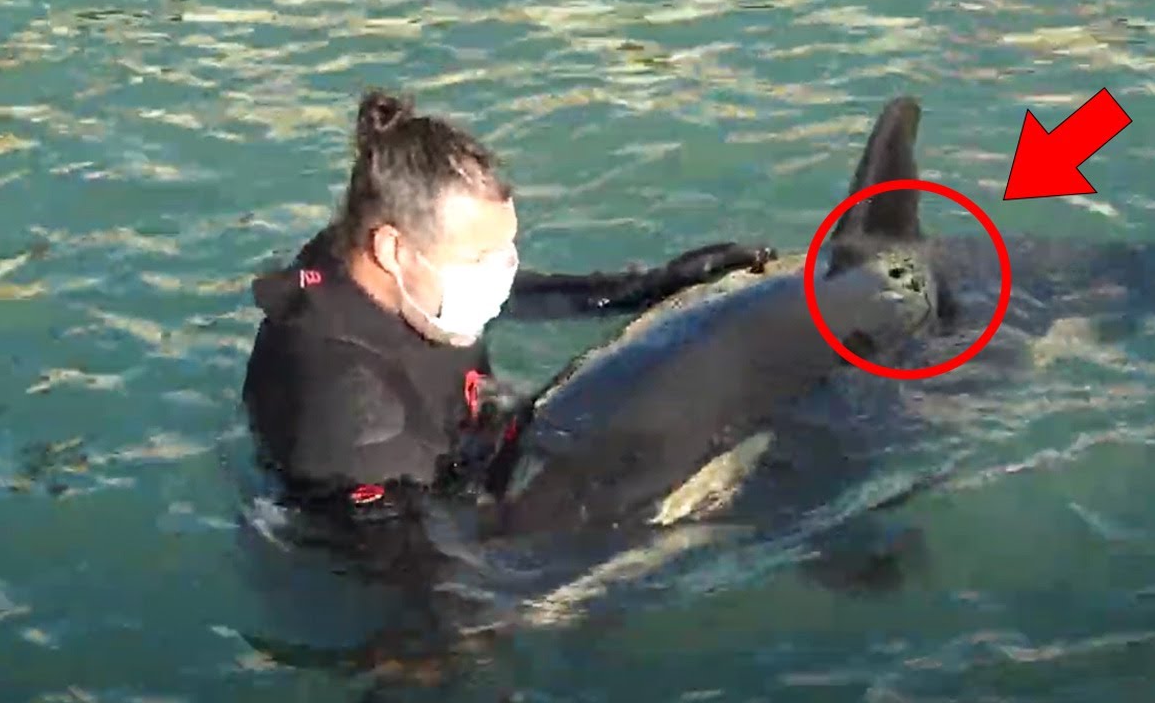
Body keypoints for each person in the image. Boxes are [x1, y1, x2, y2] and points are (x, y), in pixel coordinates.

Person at [240, 88, 776, 537]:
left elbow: (509, 293)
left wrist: (654, 285)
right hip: (395, 516)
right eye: (478, 259)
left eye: (504, 252)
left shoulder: (370, 262)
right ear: (393, 250)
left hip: (465, 438)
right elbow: (435, 594)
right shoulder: (360, 421)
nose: (496, 277)